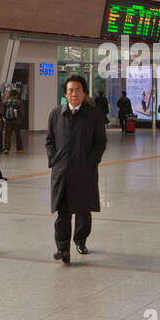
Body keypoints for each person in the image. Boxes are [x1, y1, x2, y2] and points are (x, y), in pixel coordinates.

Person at [46, 75, 107, 263]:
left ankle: (80, 241)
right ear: (65, 93)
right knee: (62, 213)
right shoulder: (56, 114)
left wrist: (90, 163)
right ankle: (62, 249)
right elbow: (50, 141)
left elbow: (100, 143)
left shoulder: (94, 114)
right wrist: (55, 160)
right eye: (70, 90)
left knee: (83, 211)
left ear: (84, 92)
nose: (74, 93)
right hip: (62, 172)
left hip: (84, 172)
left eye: (78, 89)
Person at [2, 88, 26, 153]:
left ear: (10, 94)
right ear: (16, 95)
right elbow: (22, 113)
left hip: (8, 121)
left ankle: (6, 148)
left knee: (7, 135)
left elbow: (3, 112)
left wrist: (6, 117)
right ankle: (19, 149)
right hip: (17, 122)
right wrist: (20, 119)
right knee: (18, 135)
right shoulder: (19, 102)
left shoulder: (6, 102)